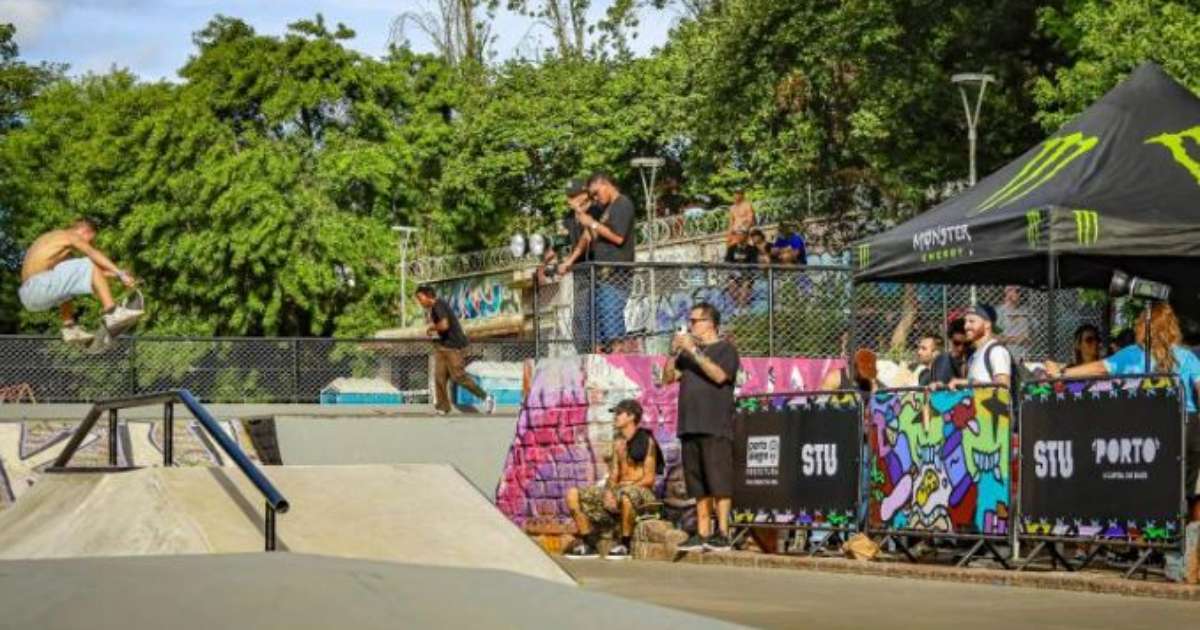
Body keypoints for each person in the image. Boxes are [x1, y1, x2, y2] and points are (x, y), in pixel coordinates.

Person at [1046, 304, 1200, 521]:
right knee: (1188, 491)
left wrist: (1063, 372)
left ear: (1144, 327)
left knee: (1147, 485)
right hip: (1189, 425)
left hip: (1150, 426)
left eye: (1138, 323)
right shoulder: (1188, 357)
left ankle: (1151, 542)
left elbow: (1100, 367)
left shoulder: (1134, 354)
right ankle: (1186, 545)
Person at [661, 302, 740, 552]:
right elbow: (667, 379)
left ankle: (723, 533)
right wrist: (674, 352)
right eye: (691, 321)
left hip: (714, 424)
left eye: (695, 321)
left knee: (719, 481)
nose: (692, 325)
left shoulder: (725, 349)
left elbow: (719, 376)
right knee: (698, 483)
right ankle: (702, 533)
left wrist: (693, 350)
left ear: (710, 323)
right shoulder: (686, 354)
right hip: (689, 424)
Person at [564, 399, 663, 560]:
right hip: (619, 490)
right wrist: (609, 491)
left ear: (631, 416)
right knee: (573, 494)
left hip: (641, 492)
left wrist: (622, 489)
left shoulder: (647, 441)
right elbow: (614, 474)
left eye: (619, 413)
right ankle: (589, 543)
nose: (615, 417)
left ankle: (625, 544)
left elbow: (649, 479)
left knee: (626, 496)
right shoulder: (618, 443)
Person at [19, 218, 142, 344]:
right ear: (85, 231)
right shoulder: (69, 235)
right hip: (39, 285)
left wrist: (114, 275)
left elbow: (88, 275)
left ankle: (69, 328)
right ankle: (113, 312)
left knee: (68, 287)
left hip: (29, 296)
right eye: (91, 239)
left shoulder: (53, 242)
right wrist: (120, 273)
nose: (90, 243)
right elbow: (92, 253)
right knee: (89, 261)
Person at [414, 285, 495, 415]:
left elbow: (444, 325)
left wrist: (431, 329)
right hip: (443, 346)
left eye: (420, 298)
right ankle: (443, 407)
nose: (420, 302)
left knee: (458, 376)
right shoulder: (436, 306)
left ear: (428, 296)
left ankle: (487, 398)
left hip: (454, 347)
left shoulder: (438, 306)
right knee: (439, 376)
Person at [578, 172, 636, 352]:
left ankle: (620, 360)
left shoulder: (622, 204)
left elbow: (618, 237)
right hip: (603, 275)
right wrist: (588, 223)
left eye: (596, 193)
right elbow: (598, 236)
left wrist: (593, 224)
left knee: (612, 325)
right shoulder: (606, 209)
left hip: (616, 275)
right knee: (600, 326)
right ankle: (603, 357)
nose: (596, 198)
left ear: (605, 184)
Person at [950, 304, 1012, 388]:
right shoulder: (974, 355)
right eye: (966, 322)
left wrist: (969, 383)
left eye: (972, 321)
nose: (966, 326)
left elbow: (1003, 386)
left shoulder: (996, 351)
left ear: (987, 324)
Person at [995, 286, 1032, 360]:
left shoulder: (1024, 311)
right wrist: (1016, 339)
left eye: (1018, 291)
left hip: (1023, 355)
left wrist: (1025, 339)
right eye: (1014, 291)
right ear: (1006, 293)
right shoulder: (998, 312)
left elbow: (1029, 337)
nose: (1018, 294)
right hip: (1005, 355)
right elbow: (995, 337)